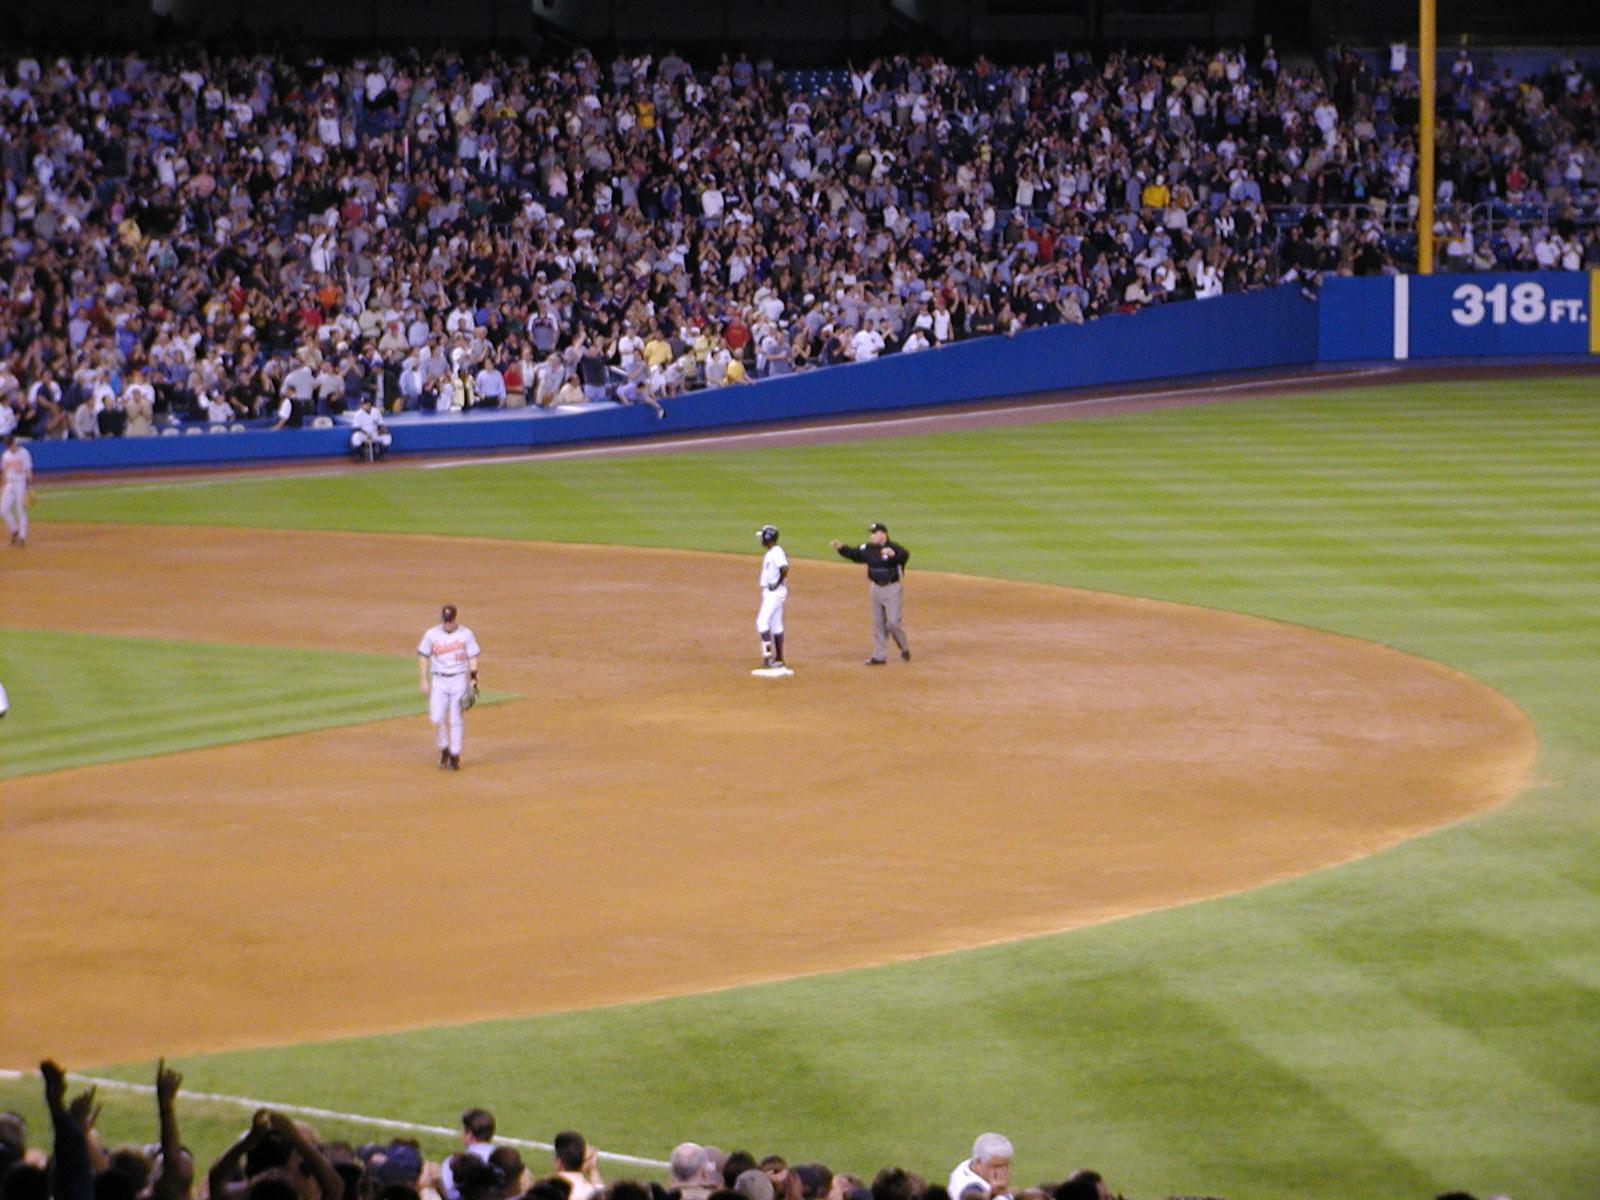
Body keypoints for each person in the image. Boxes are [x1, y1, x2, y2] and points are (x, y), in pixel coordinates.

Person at [831, 522, 910, 664]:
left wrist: (894, 555)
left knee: (892, 623)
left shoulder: (894, 547)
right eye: (871, 533)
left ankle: (904, 647)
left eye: (874, 533)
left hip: (892, 589)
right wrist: (841, 548)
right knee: (878, 623)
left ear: (883, 534)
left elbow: (904, 556)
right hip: (875, 589)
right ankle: (879, 656)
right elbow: (854, 554)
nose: (872, 536)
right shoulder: (868, 548)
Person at [417, 606, 481, 771]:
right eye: (445, 620)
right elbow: (423, 656)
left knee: (455, 718)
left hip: (458, 679)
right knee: (436, 717)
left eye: (450, 620)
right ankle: (444, 747)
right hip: (438, 680)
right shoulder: (431, 634)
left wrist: (474, 681)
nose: (447, 623)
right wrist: (424, 679)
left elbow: (472, 657)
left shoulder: (466, 634)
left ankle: (455, 754)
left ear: (455, 619)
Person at [754, 524, 790, 673]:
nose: (760, 539)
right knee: (776, 624)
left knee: (762, 622)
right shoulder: (772, 552)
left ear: (768, 538)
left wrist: (777, 582)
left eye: (762, 536)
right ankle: (780, 658)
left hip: (774, 593)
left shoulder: (776, 552)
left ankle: (768, 657)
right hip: (772, 593)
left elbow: (785, 568)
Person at [948, 1134, 1013, 1200]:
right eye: (996, 1166)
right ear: (978, 1162)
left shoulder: (968, 1164)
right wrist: (992, 1193)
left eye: (1005, 1165)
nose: (1001, 1172)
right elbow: (970, 1196)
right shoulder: (967, 1186)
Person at [2, 434, 34, 547]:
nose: (9, 447)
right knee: (3, 509)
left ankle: (22, 536)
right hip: (10, 484)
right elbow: (5, 471)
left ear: (14, 442)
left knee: (20, 509)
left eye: (10, 444)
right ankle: (14, 529)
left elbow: (28, 470)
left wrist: (29, 487)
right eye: (8, 445)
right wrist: (3, 486)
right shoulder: (6, 455)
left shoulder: (24, 453)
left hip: (21, 483)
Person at [348, 397, 392, 462]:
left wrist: (382, 430)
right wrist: (366, 434)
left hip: (374, 433)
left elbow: (380, 424)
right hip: (363, 434)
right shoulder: (358, 414)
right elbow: (356, 428)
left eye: (365, 404)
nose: (364, 405)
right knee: (355, 437)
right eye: (362, 404)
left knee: (387, 437)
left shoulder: (376, 411)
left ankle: (380, 455)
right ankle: (360, 456)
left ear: (369, 404)